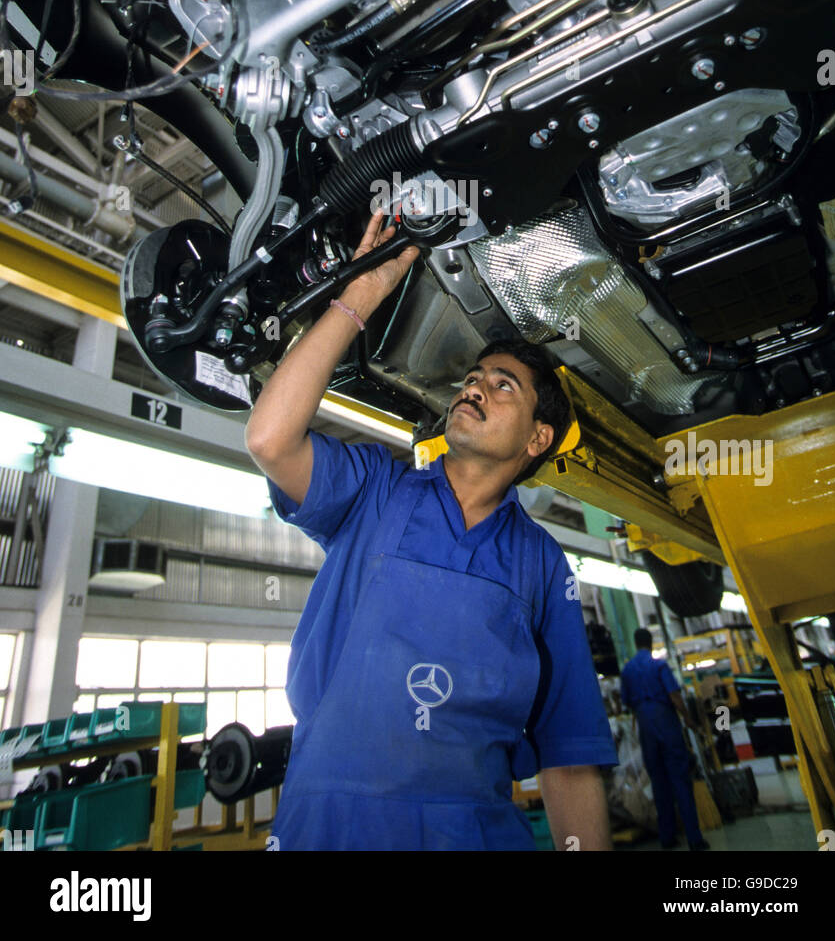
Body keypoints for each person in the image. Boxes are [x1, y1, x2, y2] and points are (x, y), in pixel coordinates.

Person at [245, 207, 618, 851]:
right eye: (474, 378)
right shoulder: (375, 489)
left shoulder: (540, 561)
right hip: (329, 825)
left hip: (473, 830)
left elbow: (569, 752)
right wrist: (359, 297)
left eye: (503, 386)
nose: (475, 387)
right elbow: (270, 439)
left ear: (538, 437)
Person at [620, 628, 710, 851]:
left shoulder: (627, 671)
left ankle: (667, 837)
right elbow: (674, 695)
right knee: (680, 779)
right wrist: (689, 719)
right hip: (665, 722)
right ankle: (694, 839)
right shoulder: (659, 666)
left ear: (635, 643)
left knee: (658, 783)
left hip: (645, 725)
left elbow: (626, 702)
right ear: (651, 644)